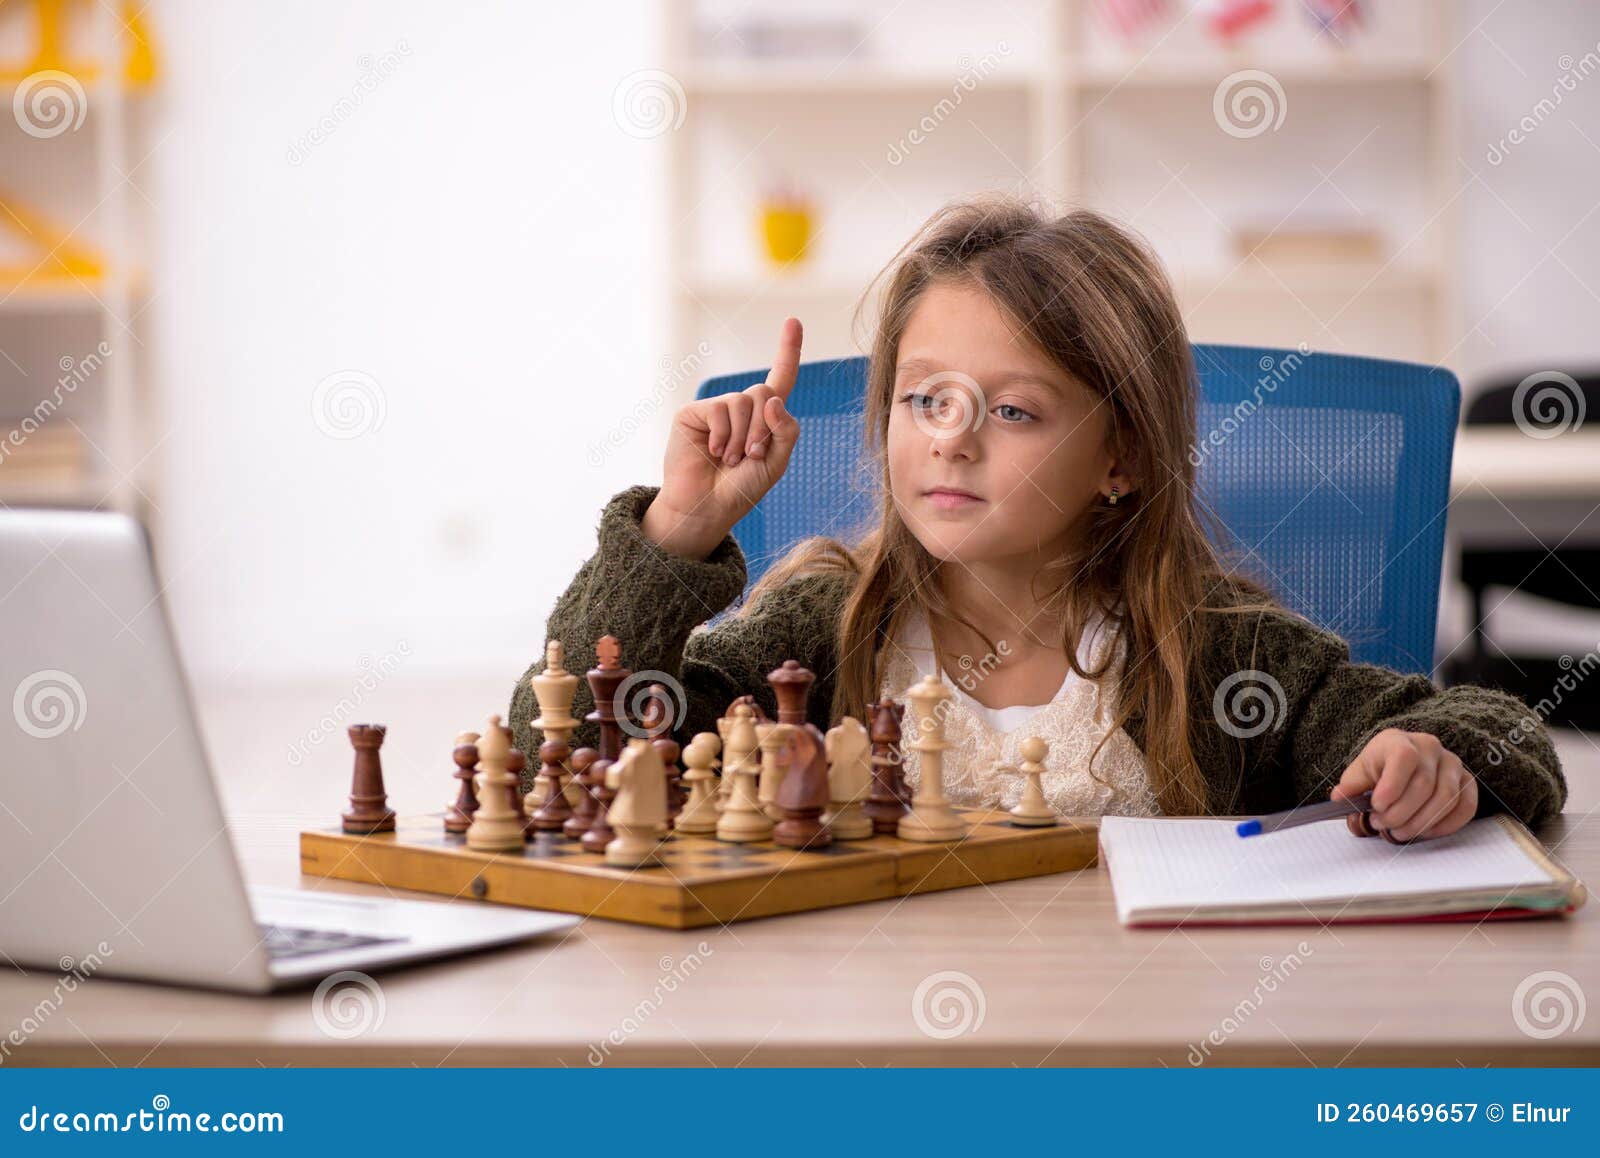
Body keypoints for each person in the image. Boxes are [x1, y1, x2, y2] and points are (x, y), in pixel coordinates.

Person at [511, 194, 1566, 841]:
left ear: (1121, 458)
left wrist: (1441, 759)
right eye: (924, 399)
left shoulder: (1224, 657)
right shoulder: (821, 638)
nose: (952, 440)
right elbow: (547, 753)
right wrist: (675, 536)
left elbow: (1502, 730)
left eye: (1012, 411)